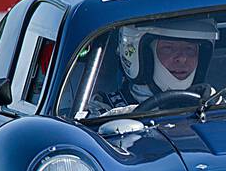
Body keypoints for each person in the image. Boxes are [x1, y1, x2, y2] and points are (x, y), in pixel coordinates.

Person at [89, 18, 219, 117]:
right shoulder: (103, 108)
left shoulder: (215, 102)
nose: (182, 58)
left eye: (190, 49)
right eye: (168, 48)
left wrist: (215, 107)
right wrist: (133, 115)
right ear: (143, 56)